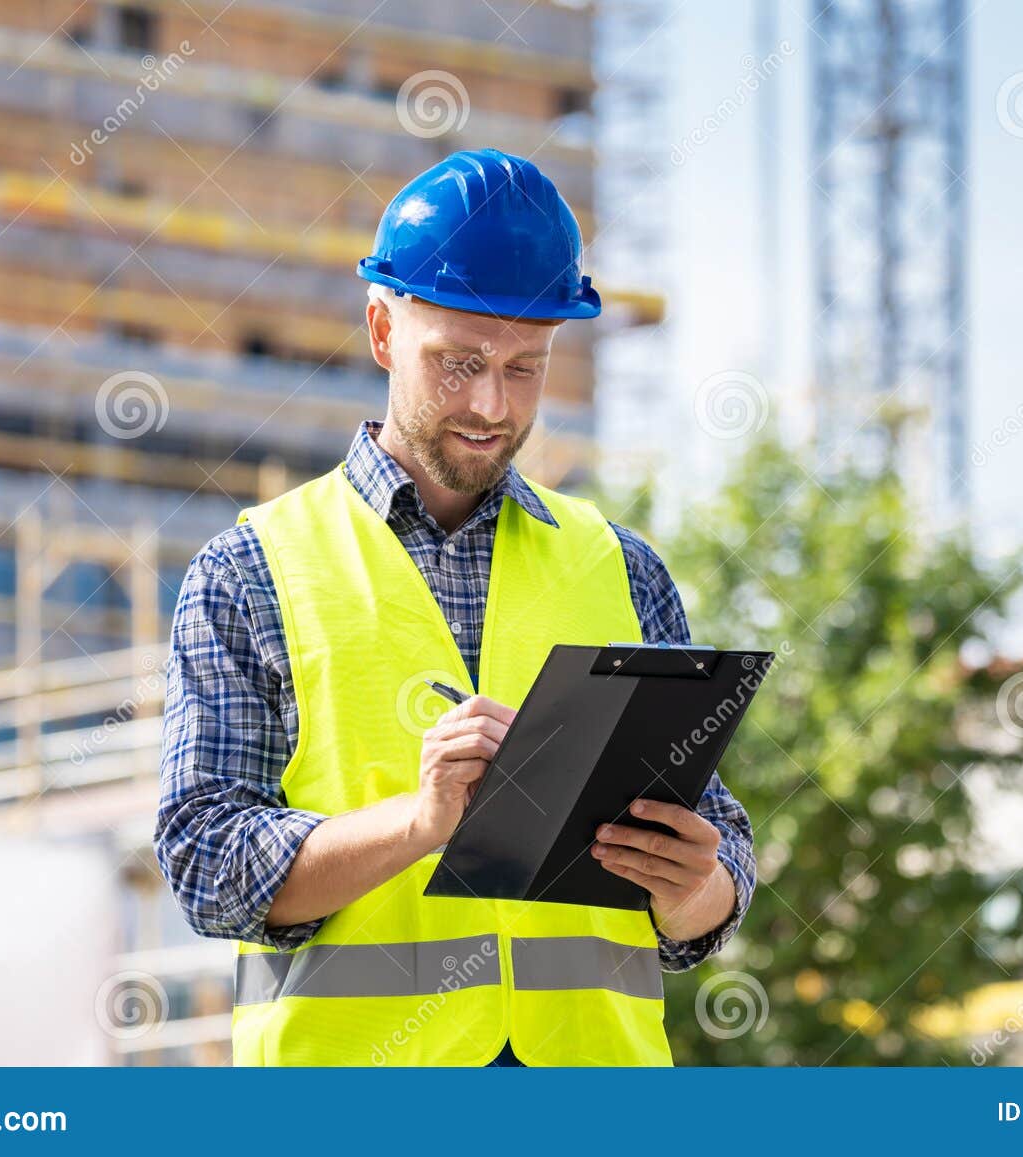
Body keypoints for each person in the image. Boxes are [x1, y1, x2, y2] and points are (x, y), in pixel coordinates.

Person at [155, 148, 755, 1066]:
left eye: (525, 368)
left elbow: (720, 856)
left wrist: (694, 887)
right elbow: (205, 862)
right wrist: (420, 821)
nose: (490, 403)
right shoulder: (252, 572)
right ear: (383, 332)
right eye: (459, 361)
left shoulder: (623, 569)